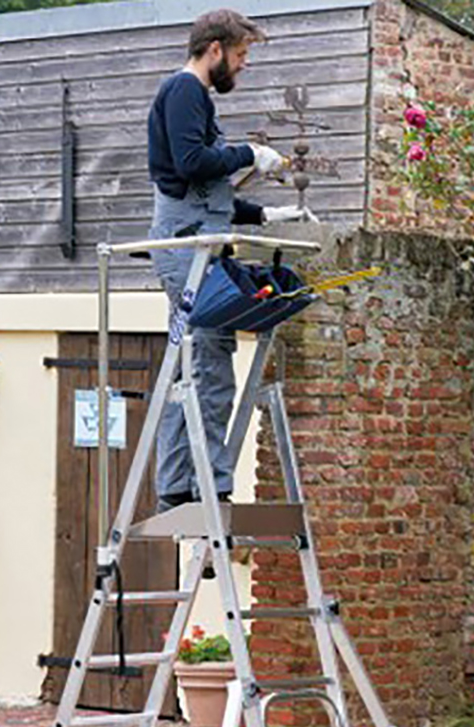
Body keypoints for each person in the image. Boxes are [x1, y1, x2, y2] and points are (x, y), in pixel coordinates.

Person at [147, 8, 304, 513]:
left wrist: (265, 213)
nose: (242, 66)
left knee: (191, 363)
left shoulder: (195, 100)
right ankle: (209, 489)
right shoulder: (184, 91)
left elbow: (208, 192)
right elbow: (193, 163)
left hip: (197, 237)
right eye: (240, 56)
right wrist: (249, 153)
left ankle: (175, 485)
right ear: (214, 49)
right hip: (187, 245)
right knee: (211, 370)